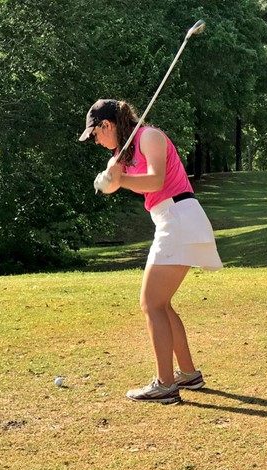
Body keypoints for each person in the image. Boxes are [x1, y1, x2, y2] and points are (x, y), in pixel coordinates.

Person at [79, 99, 222, 404]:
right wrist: (109, 179)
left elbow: (156, 180)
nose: (96, 141)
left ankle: (165, 385)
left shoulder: (149, 136)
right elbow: (117, 180)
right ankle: (188, 374)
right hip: (169, 219)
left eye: (95, 134)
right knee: (161, 303)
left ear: (108, 125)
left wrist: (120, 180)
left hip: (179, 216)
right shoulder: (121, 154)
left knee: (150, 303)